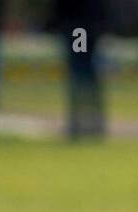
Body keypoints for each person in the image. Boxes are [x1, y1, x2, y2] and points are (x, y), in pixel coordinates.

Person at [52, 0, 107, 139]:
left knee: (80, 75)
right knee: (85, 75)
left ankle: (82, 122)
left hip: (79, 29)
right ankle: (89, 122)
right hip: (85, 27)